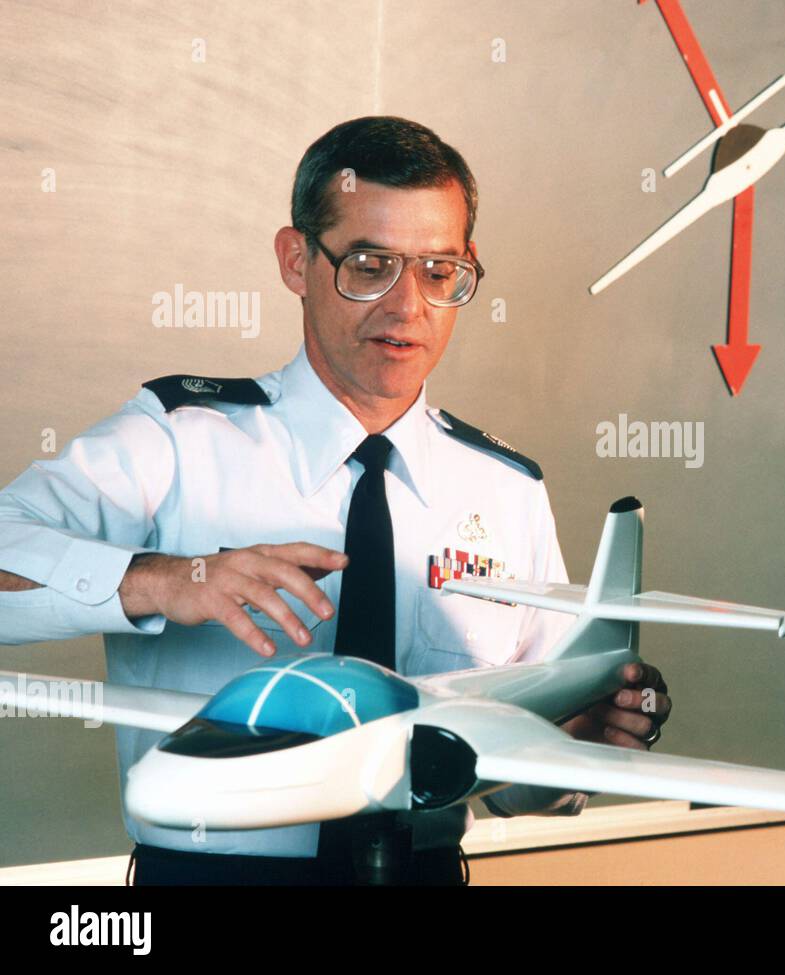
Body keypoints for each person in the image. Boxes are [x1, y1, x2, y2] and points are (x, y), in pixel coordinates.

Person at [0, 116, 671, 885]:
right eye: (369, 263)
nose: (406, 305)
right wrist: (163, 580)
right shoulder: (179, 441)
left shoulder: (506, 490)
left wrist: (575, 743)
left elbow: (521, 791)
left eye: (438, 269)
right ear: (296, 260)